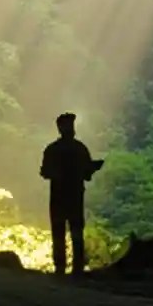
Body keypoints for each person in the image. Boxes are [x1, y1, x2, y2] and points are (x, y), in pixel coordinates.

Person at [39, 112, 104, 275]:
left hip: (58, 196)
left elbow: (45, 172)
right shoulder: (79, 148)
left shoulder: (52, 149)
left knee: (58, 230)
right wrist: (91, 168)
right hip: (74, 196)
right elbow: (86, 173)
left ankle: (60, 267)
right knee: (76, 231)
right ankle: (77, 267)